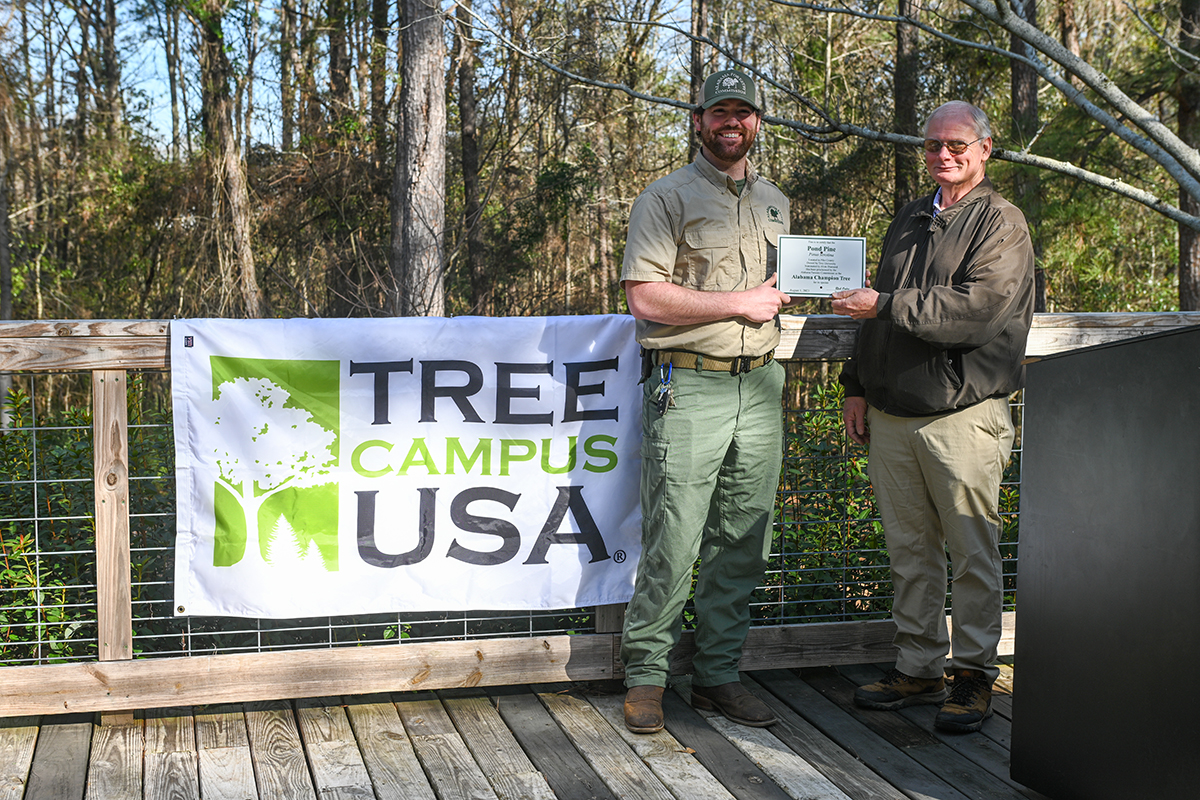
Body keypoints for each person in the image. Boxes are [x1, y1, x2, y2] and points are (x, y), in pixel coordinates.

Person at [831, 100, 1034, 733]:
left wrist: (885, 304)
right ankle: (918, 668)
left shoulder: (1002, 222)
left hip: (962, 416)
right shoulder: (912, 215)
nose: (942, 154)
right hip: (891, 415)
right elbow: (874, 315)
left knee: (972, 552)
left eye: (956, 144)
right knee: (910, 551)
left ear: (984, 149)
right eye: (932, 145)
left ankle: (973, 675)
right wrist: (855, 385)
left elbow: (977, 310)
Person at [618, 68, 792, 734]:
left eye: (743, 112)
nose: (732, 122)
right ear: (698, 121)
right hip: (688, 384)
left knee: (743, 540)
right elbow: (645, 296)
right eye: (720, 111)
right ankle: (646, 677)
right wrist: (736, 303)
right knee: (675, 535)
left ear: (757, 123)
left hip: (762, 384)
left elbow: (780, 288)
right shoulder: (665, 197)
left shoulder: (775, 202)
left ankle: (719, 675)